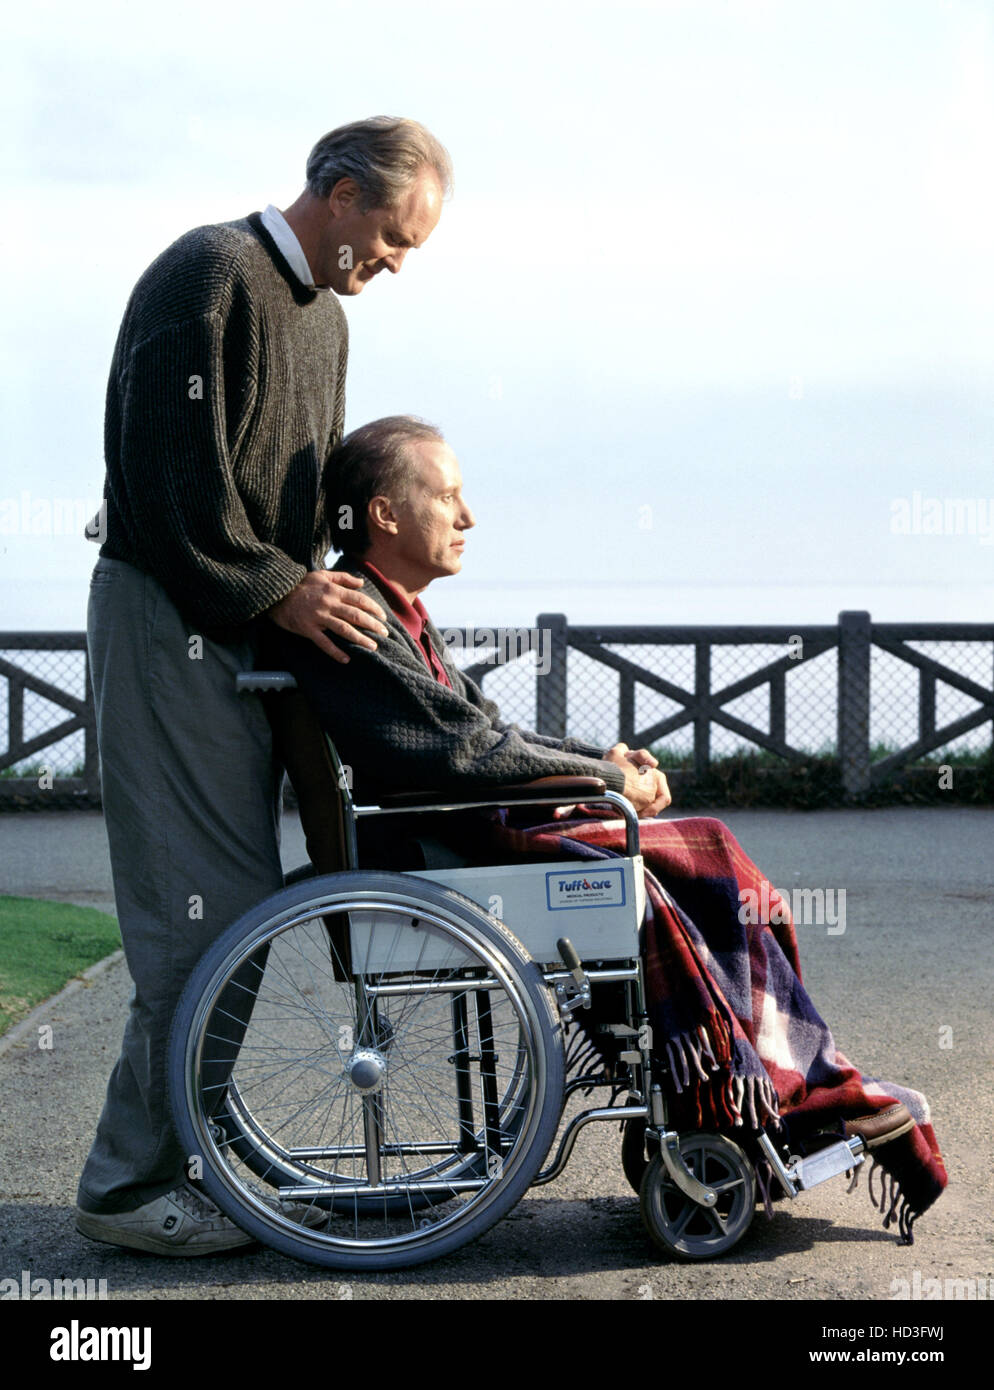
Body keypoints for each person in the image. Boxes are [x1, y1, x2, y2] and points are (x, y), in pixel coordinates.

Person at [270, 415, 948, 1244]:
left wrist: (602, 760)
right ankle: (788, 1087)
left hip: (459, 830)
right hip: (437, 850)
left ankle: (779, 1080)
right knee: (704, 861)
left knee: (703, 851)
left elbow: (482, 729)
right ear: (383, 514)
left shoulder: (391, 607)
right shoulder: (361, 618)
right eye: (447, 497)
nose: (468, 517)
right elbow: (462, 751)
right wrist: (607, 782)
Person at [77, 120, 452, 1256]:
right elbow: (172, 489)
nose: (393, 264)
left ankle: (179, 1146)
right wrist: (287, 593)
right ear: (336, 193)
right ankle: (127, 1187)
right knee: (208, 914)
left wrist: (357, 598)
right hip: (169, 617)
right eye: (390, 237)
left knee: (244, 906)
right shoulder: (210, 272)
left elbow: (308, 507)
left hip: (244, 628)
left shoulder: (325, 323)